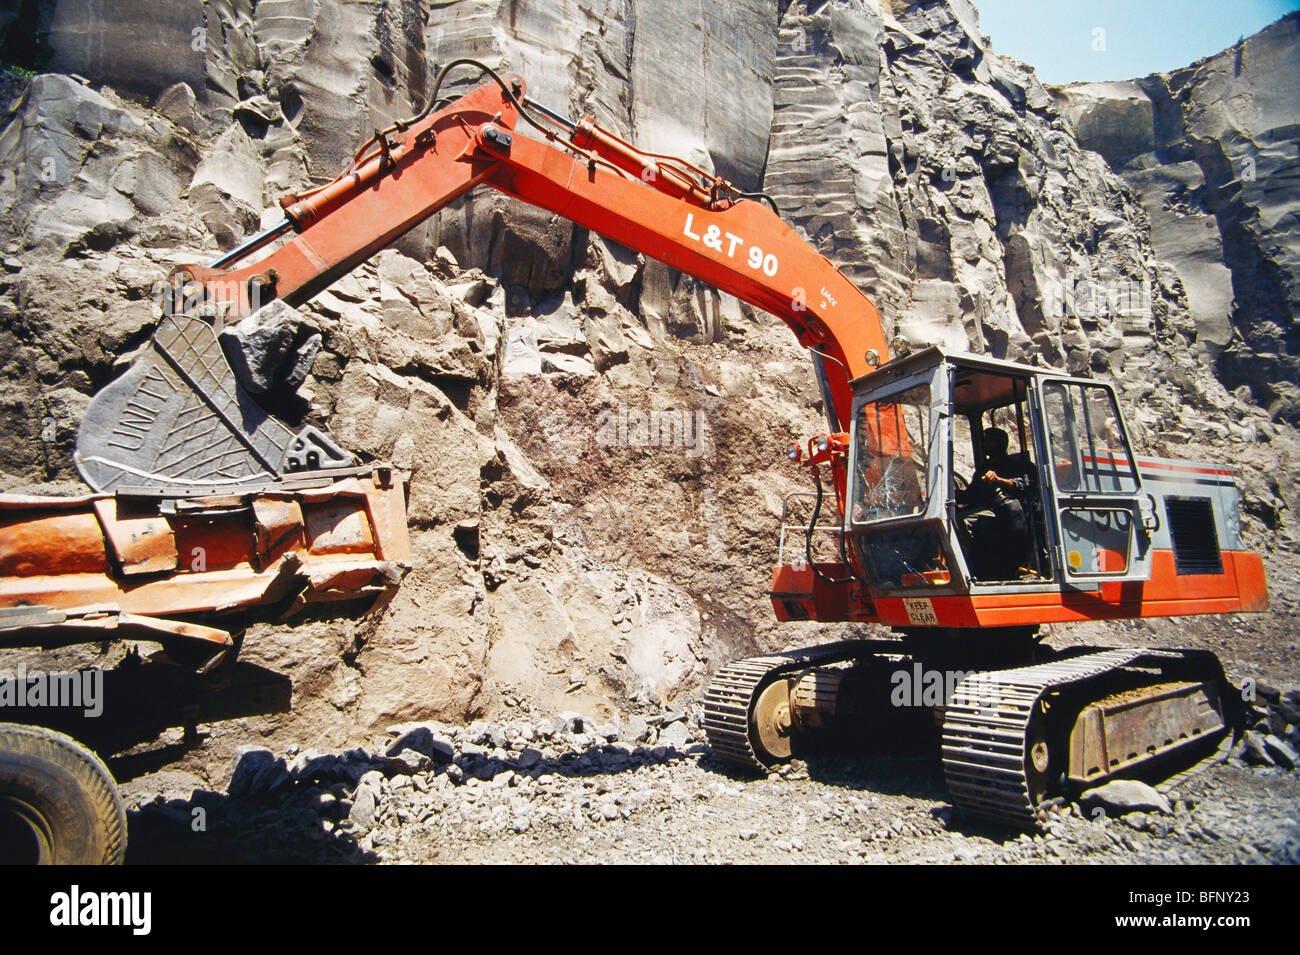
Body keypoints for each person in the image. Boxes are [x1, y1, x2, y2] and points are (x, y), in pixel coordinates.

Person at [958, 427, 1038, 579]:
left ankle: (972, 570)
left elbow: (1022, 486)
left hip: (1007, 511)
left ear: (1002, 443)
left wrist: (998, 480)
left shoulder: (1017, 465)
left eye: (990, 440)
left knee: (964, 522)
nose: (986, 444)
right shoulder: (984, 468)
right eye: (984, 441)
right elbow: (972, 494)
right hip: (986, 508)